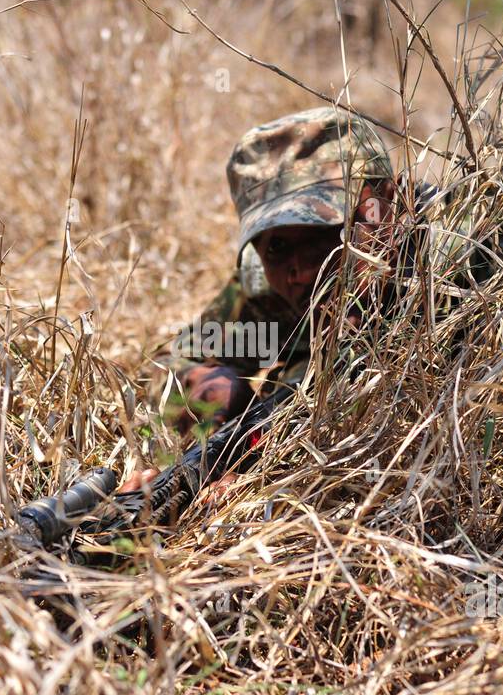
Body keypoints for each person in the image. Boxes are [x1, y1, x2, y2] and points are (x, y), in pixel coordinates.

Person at [120, 105, 460, 494]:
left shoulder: (463, 255)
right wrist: (215, 409)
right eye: (277, 246)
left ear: (388, 204)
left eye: (325, 234)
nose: (300, 270)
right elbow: (170, 365)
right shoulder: (270, 292)